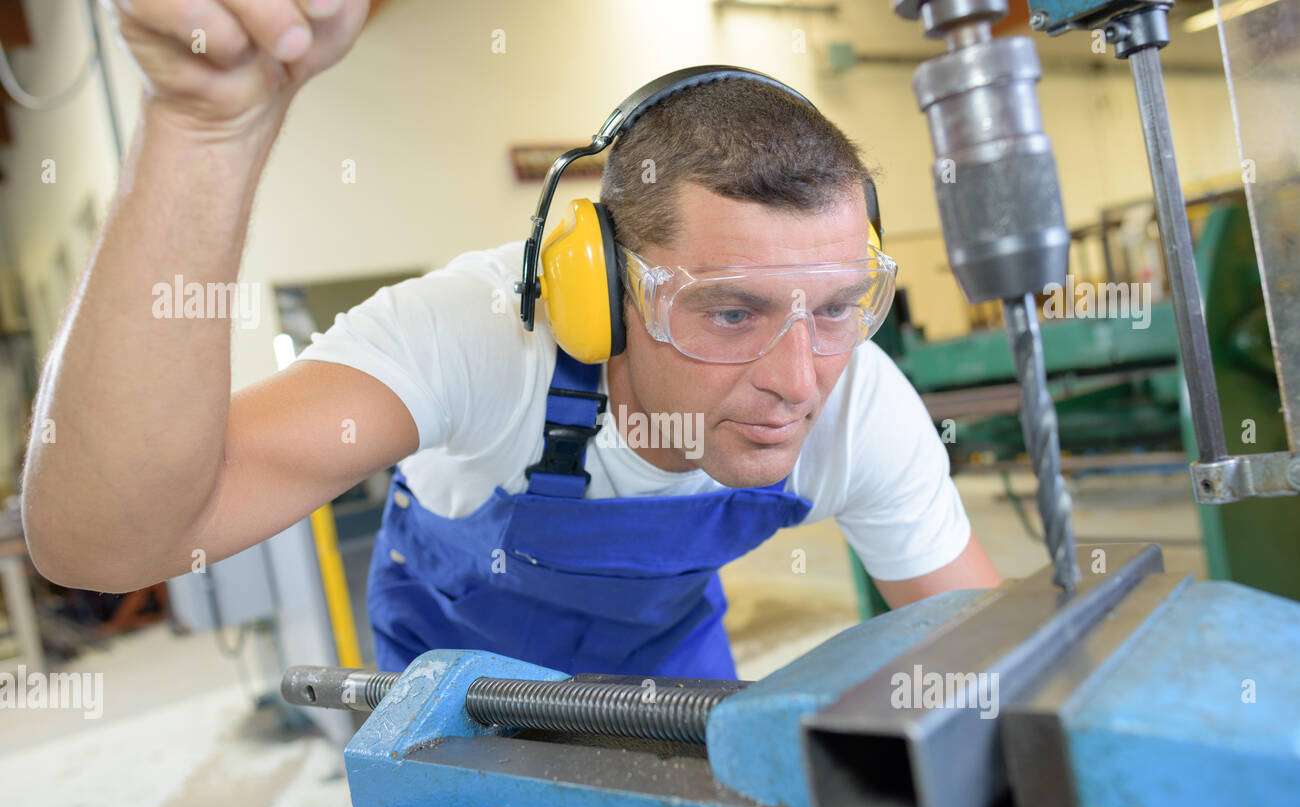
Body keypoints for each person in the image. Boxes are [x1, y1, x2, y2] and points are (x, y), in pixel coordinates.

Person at [22, 0, 1000, 681]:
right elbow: (102, 543)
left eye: (835, 308)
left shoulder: (856, 398)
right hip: (459, 703)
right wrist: (199, 129)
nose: (798, 381)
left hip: (670, 687)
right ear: (599, 292)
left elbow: (980, 652)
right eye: (730, 311)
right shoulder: (475, 337)